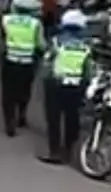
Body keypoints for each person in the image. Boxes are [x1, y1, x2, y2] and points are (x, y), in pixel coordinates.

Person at [0, 0, 44, 136]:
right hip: (28, 63)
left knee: (8, 93)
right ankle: (22, 114)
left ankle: (9, 123)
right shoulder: (35, 23)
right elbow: (41, 44)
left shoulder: (6, 20)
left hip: (10, 61)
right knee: (24, 90)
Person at [40, 9, 91, 164]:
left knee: (53, 119)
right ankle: (68, 150)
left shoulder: (56, 42)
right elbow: (88, 71)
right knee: (72, 118)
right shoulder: (86, 47)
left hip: (56, 85)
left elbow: (47, 63)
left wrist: (46, 80)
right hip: (76, 87)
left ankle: (54, 151)